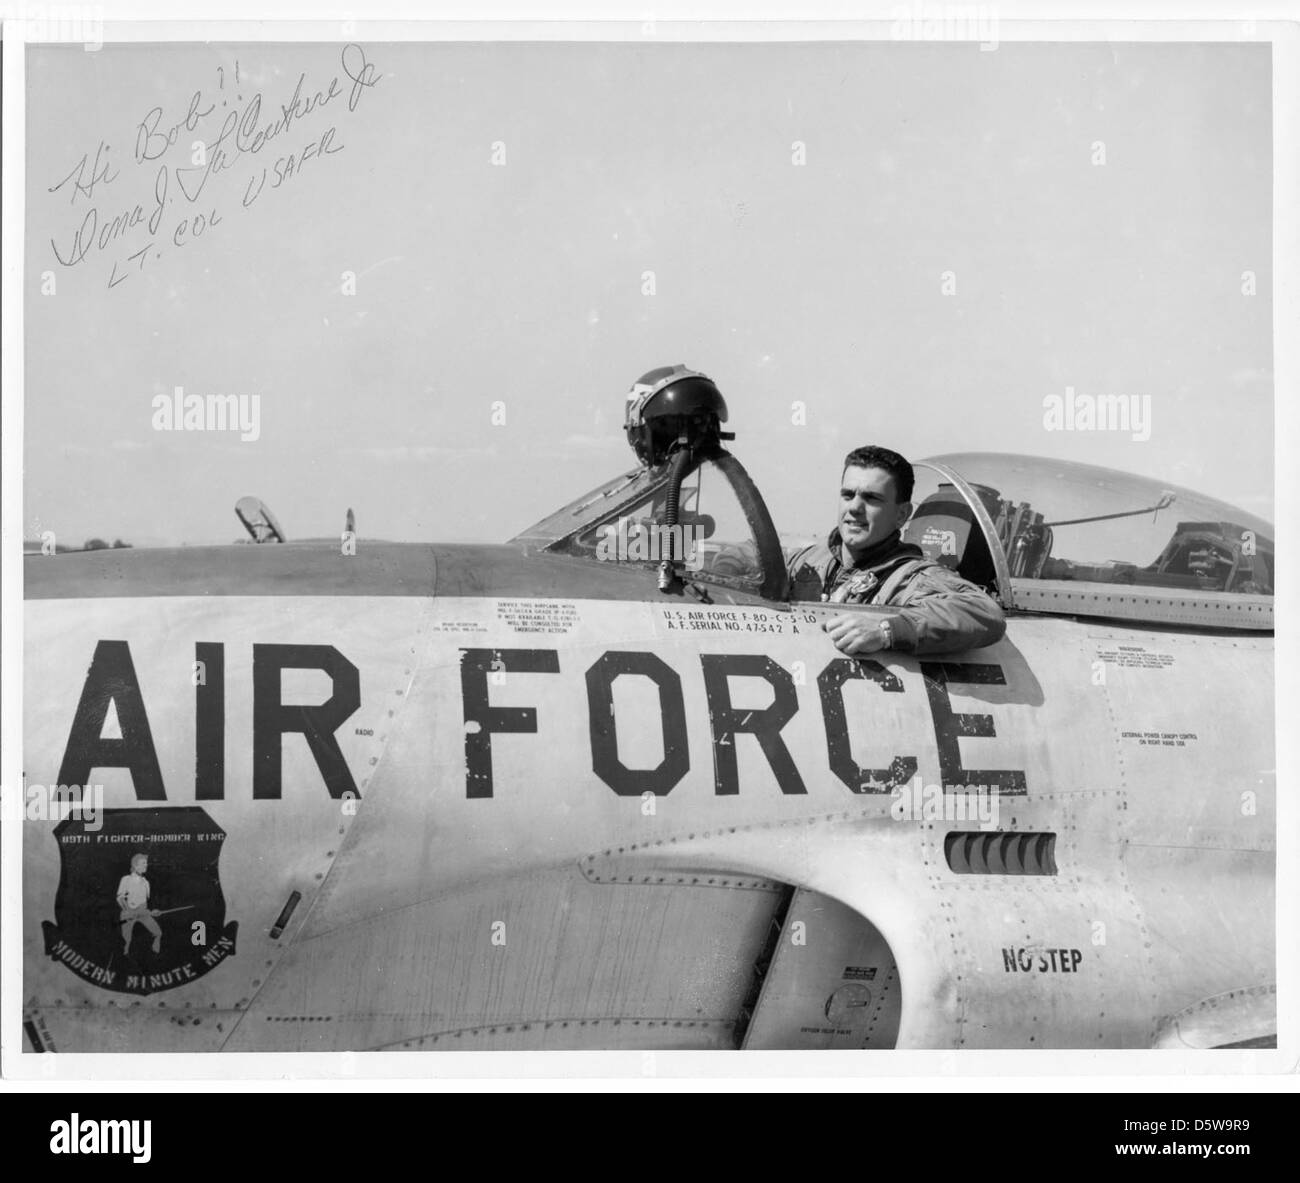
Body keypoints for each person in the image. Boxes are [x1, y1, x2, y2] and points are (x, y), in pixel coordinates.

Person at [787, 445, 1005, 655]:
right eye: (848, 495)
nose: (854, 507)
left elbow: (985, 612)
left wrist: (885, 631)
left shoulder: (913, 578)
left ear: (901, 515)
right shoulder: (805, 559)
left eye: (871, 498)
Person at [116, 852, 162, 955]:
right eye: (143, 863)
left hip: (143, 912)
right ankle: (124, 956)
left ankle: (154, 954)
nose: (146, 865)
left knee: (158, 933)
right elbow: (120, 898)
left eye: (146, 863)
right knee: (126, 941)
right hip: (128, 913)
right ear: (135, 865)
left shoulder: (146, 883)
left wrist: (152, 912)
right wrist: (129, 912)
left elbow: (146, 902)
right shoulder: (126, 879)